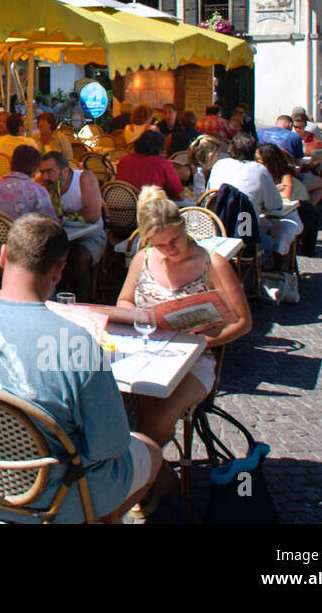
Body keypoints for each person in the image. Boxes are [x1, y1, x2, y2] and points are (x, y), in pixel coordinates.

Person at [0, 214, 164, 522]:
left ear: (2, 256)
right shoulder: (76, 343)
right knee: (150, 450)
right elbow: (110, 445)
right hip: (58, 497)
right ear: (58, 271)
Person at [116, 188, 251, 485]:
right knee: (106, 401)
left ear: (184, 228)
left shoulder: (211, 264)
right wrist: (144, 320)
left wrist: (204, 342)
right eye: (160, 245)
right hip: (149, 353)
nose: (170, 250)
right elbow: (123, 302)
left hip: (196, 359)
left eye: (174, 241)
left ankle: (144, 477)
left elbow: (243, 323)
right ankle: (154, 471)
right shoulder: (143, 258)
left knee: (156, 413)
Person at [208, 133, 303, 267]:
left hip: (216, 232)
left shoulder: (218, 165)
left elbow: (209, 195)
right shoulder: (259, 170)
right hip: (244, 234)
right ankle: (259, 277)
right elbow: (275, 205)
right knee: (269, 242)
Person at [37, 151, 105, 303]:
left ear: (65, 171)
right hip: (59, 237)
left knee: (78, 258)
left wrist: (64, 214)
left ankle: (84, 304)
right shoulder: (43, 184)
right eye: (42, 172)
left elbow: (93, 216)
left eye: (50, 171)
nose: (45, 176)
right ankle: (49, 302)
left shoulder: (84, 178)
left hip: (90, 235)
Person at [0, 144, 57, 220]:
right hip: (20, 238)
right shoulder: (38, 192)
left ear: (11, 162)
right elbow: (50, 225)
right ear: (35, 169)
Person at [116, 130, 184, 201]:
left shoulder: (123, 161)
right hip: (149, 209)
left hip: (121, 208)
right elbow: (179, 196)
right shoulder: (162, 164)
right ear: (160, 148)